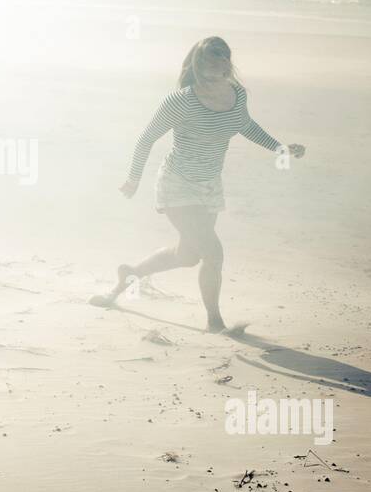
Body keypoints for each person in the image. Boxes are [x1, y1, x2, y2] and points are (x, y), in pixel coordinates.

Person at [92, 36, 305, 331]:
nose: (213, 66)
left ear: (227, 62)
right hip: (177, 184)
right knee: (213, 252)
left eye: (220, 60)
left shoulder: (238, 95)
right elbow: (146, 139)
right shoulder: (181, 101)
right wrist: (133, 179)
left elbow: (245, 125)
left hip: (209, 184)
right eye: (206, 61)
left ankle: (130, 274)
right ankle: (215, 322)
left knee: (189, 255)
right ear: (197, 64)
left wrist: (279, 148)